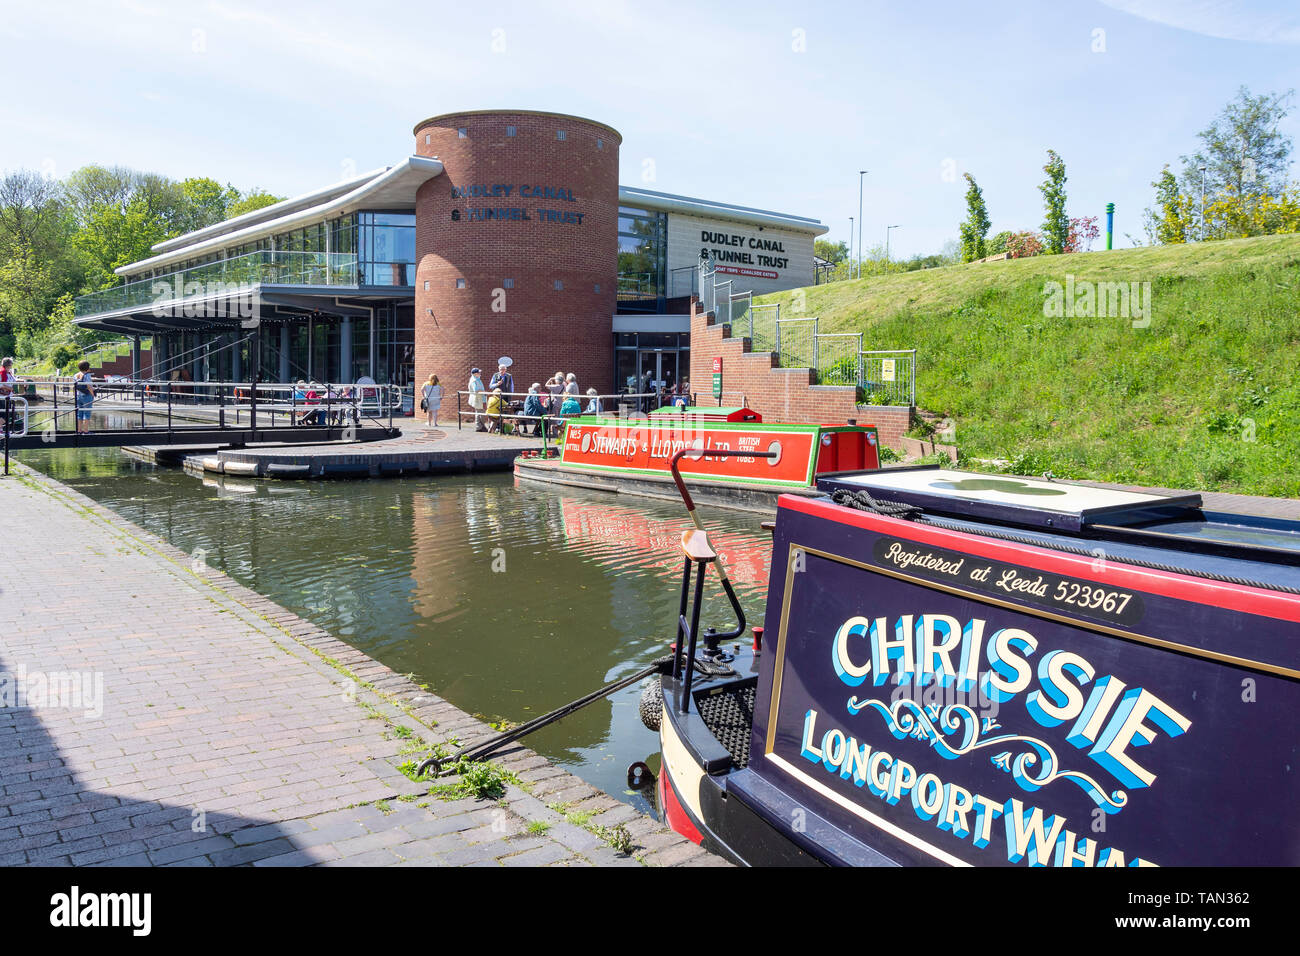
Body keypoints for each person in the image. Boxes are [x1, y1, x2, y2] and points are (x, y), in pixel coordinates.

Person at [73, 360, 96, 434]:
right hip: (86, 396)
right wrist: (93, 395)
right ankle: (86, 430)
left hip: (78, 396)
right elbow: (89, 386)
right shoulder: (87, 375)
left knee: (79, 413)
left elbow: (75, 386)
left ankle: (79, 430)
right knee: (87, 413)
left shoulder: (76, 375)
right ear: (87, 368)